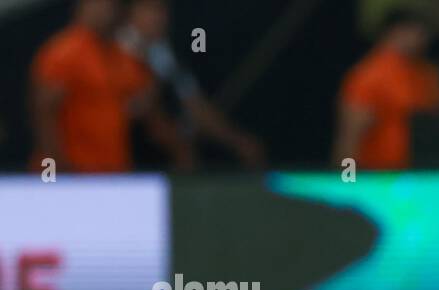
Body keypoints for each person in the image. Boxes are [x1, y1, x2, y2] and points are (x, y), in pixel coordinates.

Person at [119, 0, 264, 170]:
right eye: (151, 9)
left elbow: (195, 105)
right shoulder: (111, 48)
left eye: (163, 10)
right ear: (129, 13)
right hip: (110, 160)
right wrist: (177, 144)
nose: (160, 18)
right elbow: (142, 112)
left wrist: (238, 141)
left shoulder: (161, 51)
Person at [29, 0, 154, 172]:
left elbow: (143, 100)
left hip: (111, 171)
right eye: (97, 4)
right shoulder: (64, 52)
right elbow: (44, 112)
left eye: (110, 5)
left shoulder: (118, 54)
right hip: (72, 172)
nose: (105, 10)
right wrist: (57, 164)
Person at [334, 9, 439, 171]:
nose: (423, 39)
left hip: (418, 175)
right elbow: (350, 136)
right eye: (417, 32)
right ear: (395, 32)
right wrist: (347, 179)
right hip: (377, 175)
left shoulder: (425, 74)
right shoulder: (369, 75)